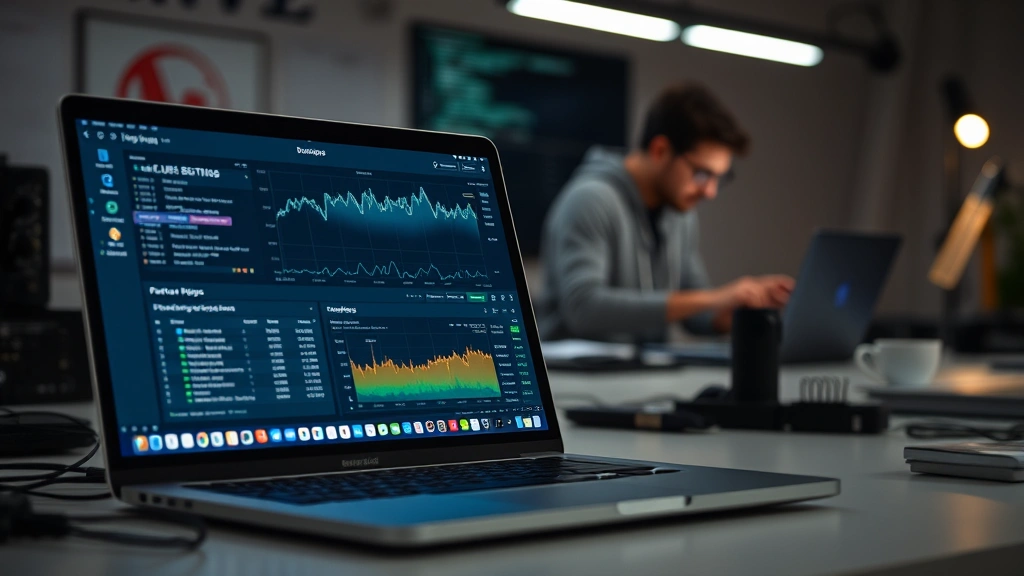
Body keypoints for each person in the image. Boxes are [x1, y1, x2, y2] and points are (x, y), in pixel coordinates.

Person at [537, 82, 793, 343]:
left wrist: (738, 309)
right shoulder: (591, 199)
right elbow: (583, 309)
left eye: (720, 178)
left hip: (642, 366)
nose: (710, 192)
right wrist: (713, 298)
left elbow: (695, 312)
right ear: (660, 150)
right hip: (574, 367)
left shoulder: (680, 214)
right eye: (702, 174)